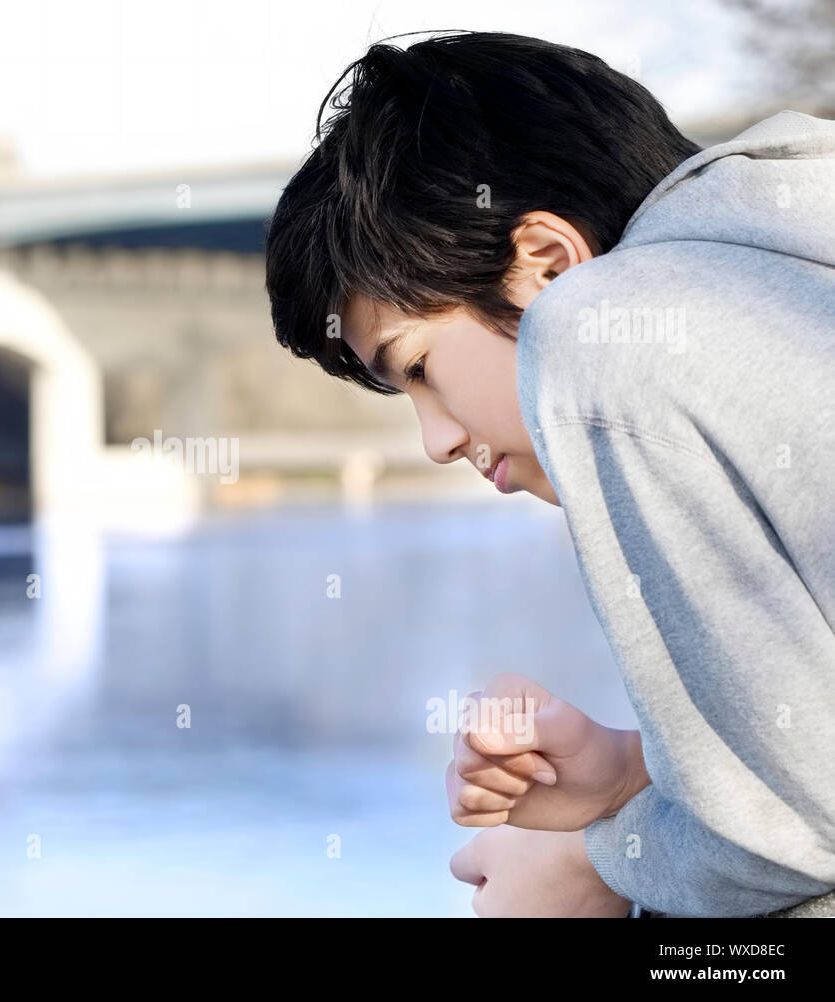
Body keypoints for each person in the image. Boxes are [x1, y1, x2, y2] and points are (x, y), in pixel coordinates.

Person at [264, 30, 835, 916]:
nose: (437, 442)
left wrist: (597, 868)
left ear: (548, 265)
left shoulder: (603, 326)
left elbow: (797, 839)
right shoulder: (786, 263)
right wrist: (630, 777)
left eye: (416, 368)